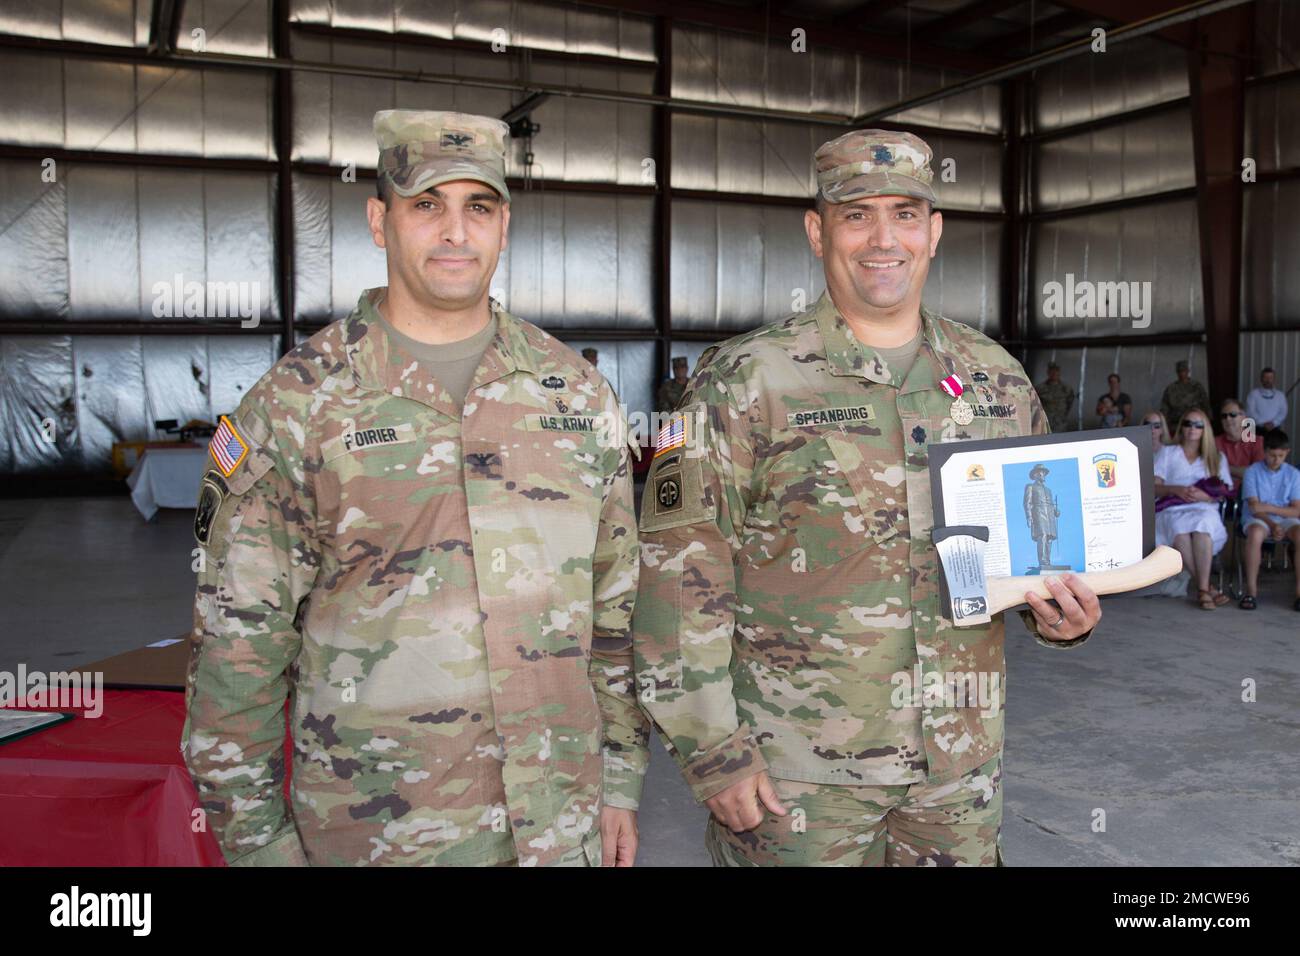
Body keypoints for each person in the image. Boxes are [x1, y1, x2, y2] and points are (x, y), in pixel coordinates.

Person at [183, 109, 648, 867]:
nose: (455, 232)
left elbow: (618, 609)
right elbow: (238, 645)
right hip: (379, 833)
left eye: (479, 207)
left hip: (561, 826)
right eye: (427, 205)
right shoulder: (296, 404)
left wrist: (621, 781)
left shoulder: (576, 394)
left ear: (504, 224)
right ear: (379, 219)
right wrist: (258, 842)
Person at [632, 128, 1101, 868]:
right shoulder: (737, 380)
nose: (884, 238)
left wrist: (1063, 617)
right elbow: (673, 573)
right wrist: (711, 750)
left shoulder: (995, 378)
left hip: (959, 771)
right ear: (818, 231)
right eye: (857, 215)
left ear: (934, 230)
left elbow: (1037, 555)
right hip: (799, 775)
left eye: (906, 214)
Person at [1154, 408, 1233, 611]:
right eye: (1188, 423)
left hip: (1203, 507)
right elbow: (1153, 486)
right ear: (1182, 426)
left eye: (1198, 425)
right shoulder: (1168, 452)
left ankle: (1203, 589)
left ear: (1205, 429)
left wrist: (1206, 496)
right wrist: (1175, 489)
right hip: (1172, 507)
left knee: (1202, 526)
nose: (1193, 428)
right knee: (1179, 529)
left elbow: (1226, 491)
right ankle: (1206, 589)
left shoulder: (1216, 457)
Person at [1237, 429, 1300, 611]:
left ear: (1287, 452)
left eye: (1280, 455)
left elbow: (1297, 510)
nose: (1276, 460)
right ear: (1264, 452)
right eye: (1272, 455)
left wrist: (1269, 508)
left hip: (1286, 519)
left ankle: (1299, 593)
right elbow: (1255, 508)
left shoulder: (1294, 474)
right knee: (1256, 534)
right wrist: (1273, 524)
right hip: (1260, 519)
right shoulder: (1252, 472)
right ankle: (1251, 591)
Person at [1216, 397, 1264, 490]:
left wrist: (1224, 468)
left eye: (1233, 415)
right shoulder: (1214, 442)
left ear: (1244, 417)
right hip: (1221, 496)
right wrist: (1241, 472)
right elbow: (1210, 472)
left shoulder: (1258, 441)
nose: (1228, 419)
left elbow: (1257, 474)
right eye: (1224, 416)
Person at [1160, 360, 1210, 433]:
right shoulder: (1170, 389)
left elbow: (1205, 404)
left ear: (1187, 371)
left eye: (1184, 370)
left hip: (1195, 424)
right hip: (1176, 425)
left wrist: (1207, 421)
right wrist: (1164, 424)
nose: (1182, 373)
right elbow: (1165, 408)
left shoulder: (1197, 387)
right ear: (1177, 372)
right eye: (1180, 371)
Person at [1245, 367, 1288, 435]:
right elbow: (1250, 412)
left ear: (1274, 379)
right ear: (1261, 379)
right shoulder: (1253, 394)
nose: (1268, 380)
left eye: (1270, 378)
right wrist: (1263, 423)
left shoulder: (1280, 395)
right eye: (1265, 377)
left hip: (1275, 429)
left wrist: (1274, 423)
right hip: (1257, 429)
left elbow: (1283, 412)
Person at [1035, 361, 1075, 434]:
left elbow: (1070, 402)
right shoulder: (1040, 388)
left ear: (1059, 372)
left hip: (1060, 423)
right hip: (1046, 422)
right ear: (1048, 373)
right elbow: (1036, 404)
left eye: (1056, 371)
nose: (1054, 373)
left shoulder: (1066, 388)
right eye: (1051, 371)